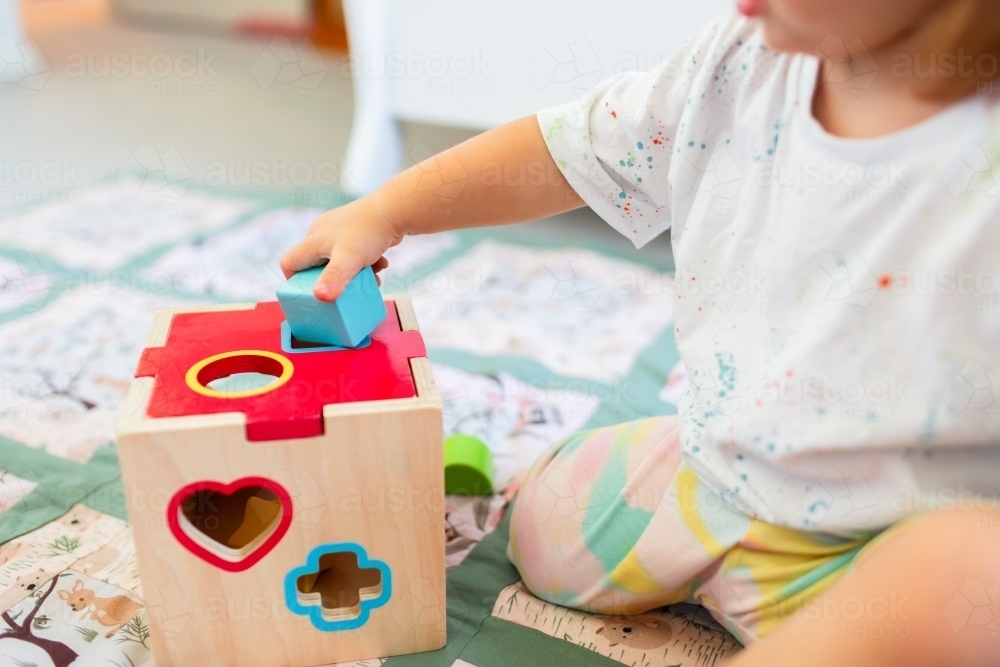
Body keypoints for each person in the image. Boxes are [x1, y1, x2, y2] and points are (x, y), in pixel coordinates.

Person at [281, 1, 1000, 663]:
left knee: (963, 581)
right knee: (542, 527)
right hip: (712, 472)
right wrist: (390, 209)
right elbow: (564, 150)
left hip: (876, 542)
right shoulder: (739, 58)